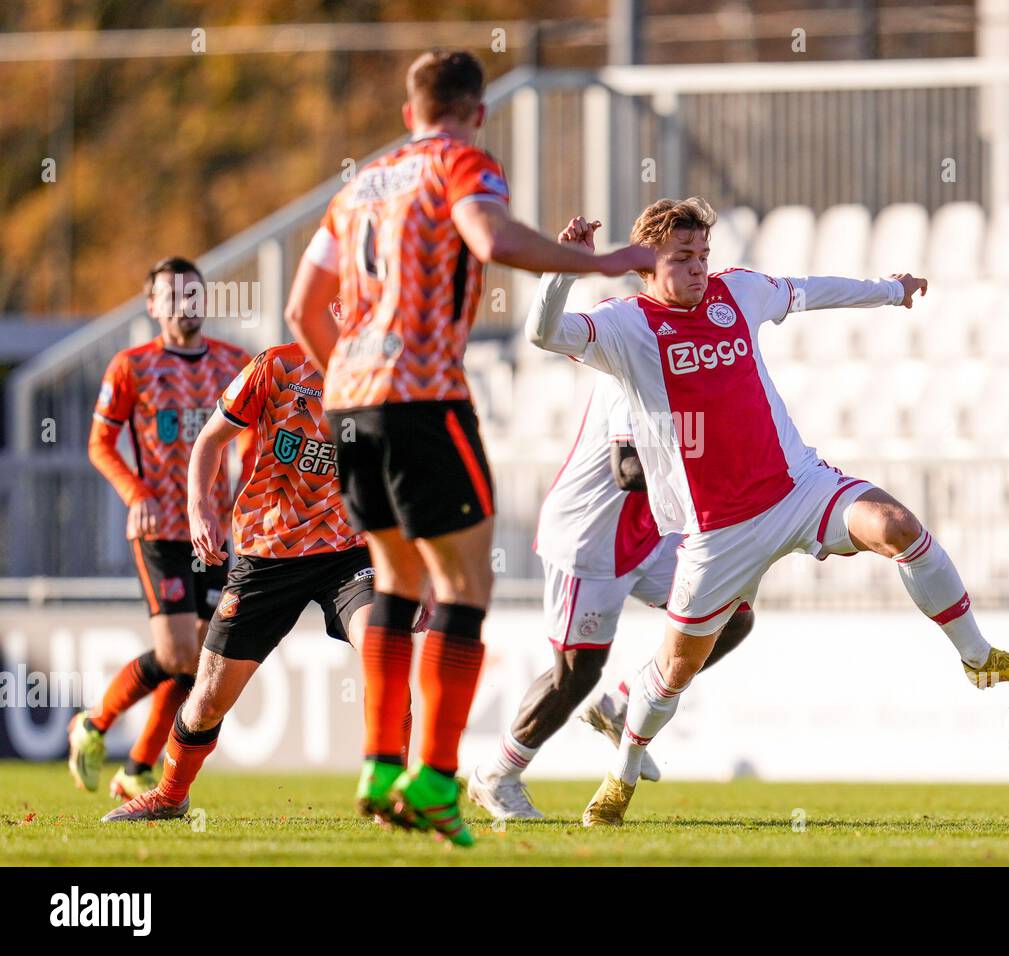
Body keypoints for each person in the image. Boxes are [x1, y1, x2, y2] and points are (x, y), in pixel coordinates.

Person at [527, 200, 1009, 826]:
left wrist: (891, 290)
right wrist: (562, 269)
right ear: (646, 263)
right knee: (673, 673)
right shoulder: (625, 326)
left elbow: (810, 291)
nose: (699, 269)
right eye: (682, 259)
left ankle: (980, 658)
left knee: (897, 528)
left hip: (796, 489)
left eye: (703, 256)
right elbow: (543, 332)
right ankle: (620, 778)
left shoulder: (738, 293)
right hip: (716, 532)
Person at [284, 49, 654, 845]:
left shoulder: (356, 187)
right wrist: (602, 262)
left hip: (351, 403)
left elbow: (300, 310)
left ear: (408, 111)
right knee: (459, 593)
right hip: (424, 400)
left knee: (391, 581)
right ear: (476, 111)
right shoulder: (462, 162)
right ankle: (434, 781)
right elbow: (486, 238)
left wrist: (349, 380)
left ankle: (381, 766)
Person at [101, 342, 420, 822]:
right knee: (206, 699)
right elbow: (209, 441)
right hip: (269, 553)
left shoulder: (388, 373)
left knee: (384, 648)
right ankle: (169, 795)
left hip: (349, 549)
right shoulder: (276, 366)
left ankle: (391, 796)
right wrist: (199, 509)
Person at [468, 374, 753, 819]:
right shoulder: (631, 367)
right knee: (576, 675)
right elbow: (629, 470)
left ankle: (624, 703)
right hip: (590, 541)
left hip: (645, 535)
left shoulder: (692, 363)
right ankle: (497, 774)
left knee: (730, 613)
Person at [70, 257, 250, 802]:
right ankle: (95, 724)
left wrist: (241, 490)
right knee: (177, 655)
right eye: (172, 296)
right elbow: (100, 444)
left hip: (212, 531)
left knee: (201, 662)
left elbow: (251, 437)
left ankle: (139, 768)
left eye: (193, 294)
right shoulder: (132, 367)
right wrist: (136, 491)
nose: (184, 304)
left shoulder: (235, 363)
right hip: (159, 526)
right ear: (152, 306)